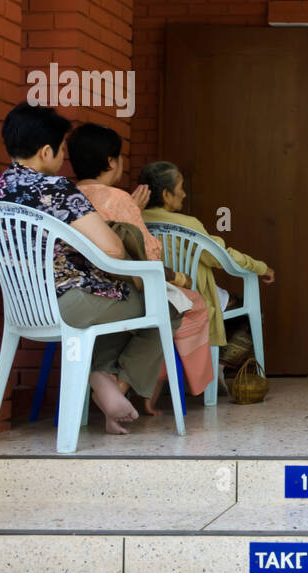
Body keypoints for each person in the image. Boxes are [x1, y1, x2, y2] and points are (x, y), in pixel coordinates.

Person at [0, 103, 174, 435]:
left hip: (23, 305)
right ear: (45, 151)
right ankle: (109, 382)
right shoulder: (56, 189)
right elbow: (112, 249)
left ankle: (103, 379)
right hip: (69, 301)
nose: (62, 162)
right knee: (166, 309)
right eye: (60, 152)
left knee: (114, 307)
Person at [67, 123, 214, 406]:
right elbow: (149, 258)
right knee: (169, 309)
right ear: (111, 161)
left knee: (127, 320)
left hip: (74, 296)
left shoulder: (67, 197)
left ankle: (105, 380)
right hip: (114, 292)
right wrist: (132, 211)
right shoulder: (119, 199)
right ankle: (119, 388)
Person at [139, 162, 275, 348]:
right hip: (192, 298)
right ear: (166, 195)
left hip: (150, 299)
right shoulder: (187, 224)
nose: (185, 194)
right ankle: (219, 365)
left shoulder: (134, 219)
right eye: (181, 188)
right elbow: (221, 257)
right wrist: (260, 267)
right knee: (250, 313)